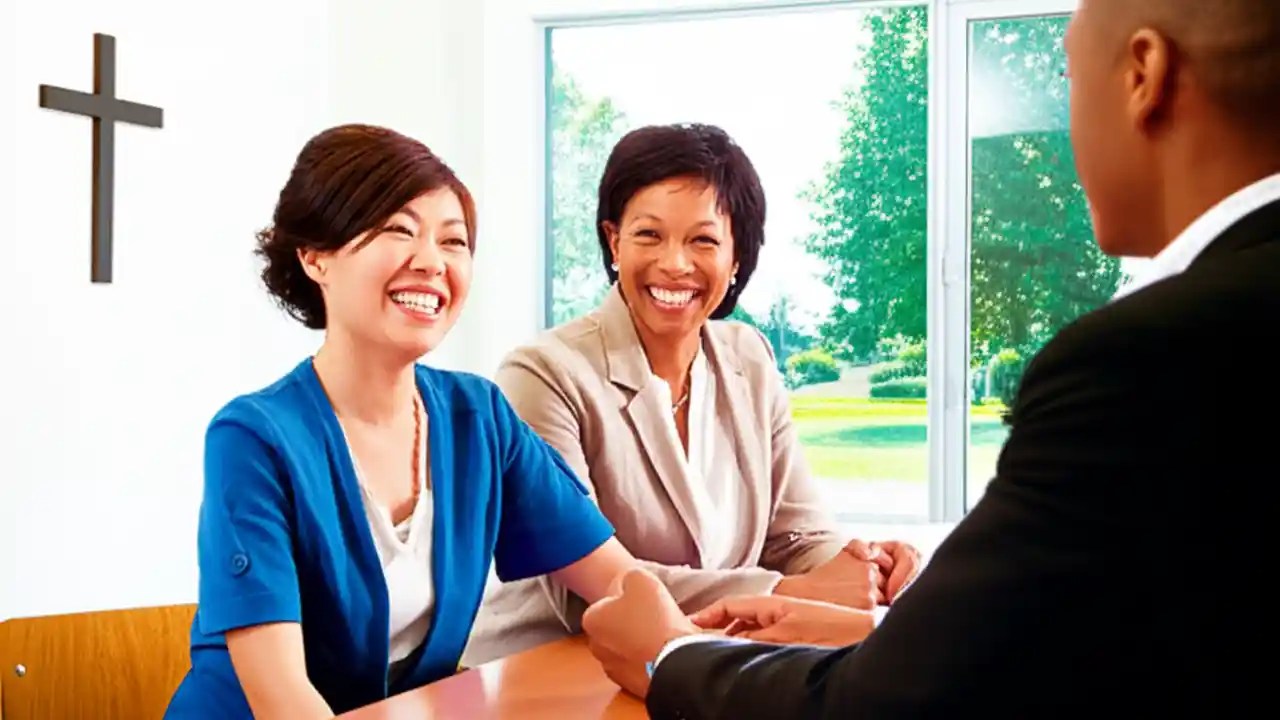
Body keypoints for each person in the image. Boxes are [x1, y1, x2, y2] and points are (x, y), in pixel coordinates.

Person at [580, 1, 1280, 716]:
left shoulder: (1146, 358)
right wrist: (872, 625)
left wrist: (669, 654)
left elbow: (894, 702)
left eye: (1067, 76)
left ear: (1144, 75)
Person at [163, 124, 635, 719]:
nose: (432, 263)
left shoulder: (479, 419)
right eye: (398, 230)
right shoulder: (254, 439)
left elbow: (622, 585)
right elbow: (282, 699)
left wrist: (700, 669)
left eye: (454, 241)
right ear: (315, 256)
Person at [463, 122, 920, 665]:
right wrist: (781, 594)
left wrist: (861, 565)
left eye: (703, 240)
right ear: (613, 241)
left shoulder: (748, 356)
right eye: (649, 235)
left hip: (701, 660)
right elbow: (579, 586)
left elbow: (796, 535)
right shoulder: (543, 373)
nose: (674, 263)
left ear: (735, 259)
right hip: (547, 667)